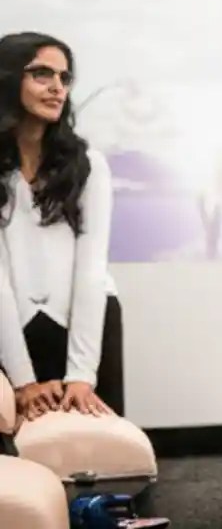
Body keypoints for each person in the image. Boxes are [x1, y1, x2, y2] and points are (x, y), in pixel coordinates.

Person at [0, 32, 122, 425]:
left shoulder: (88, 166)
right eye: (41, 74)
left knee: (100, 461)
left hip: (83, 326)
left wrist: (82, 375)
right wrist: (21, 379)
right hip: (8, 327)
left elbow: (91, 269)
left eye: (64, 78)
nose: (57, 88)